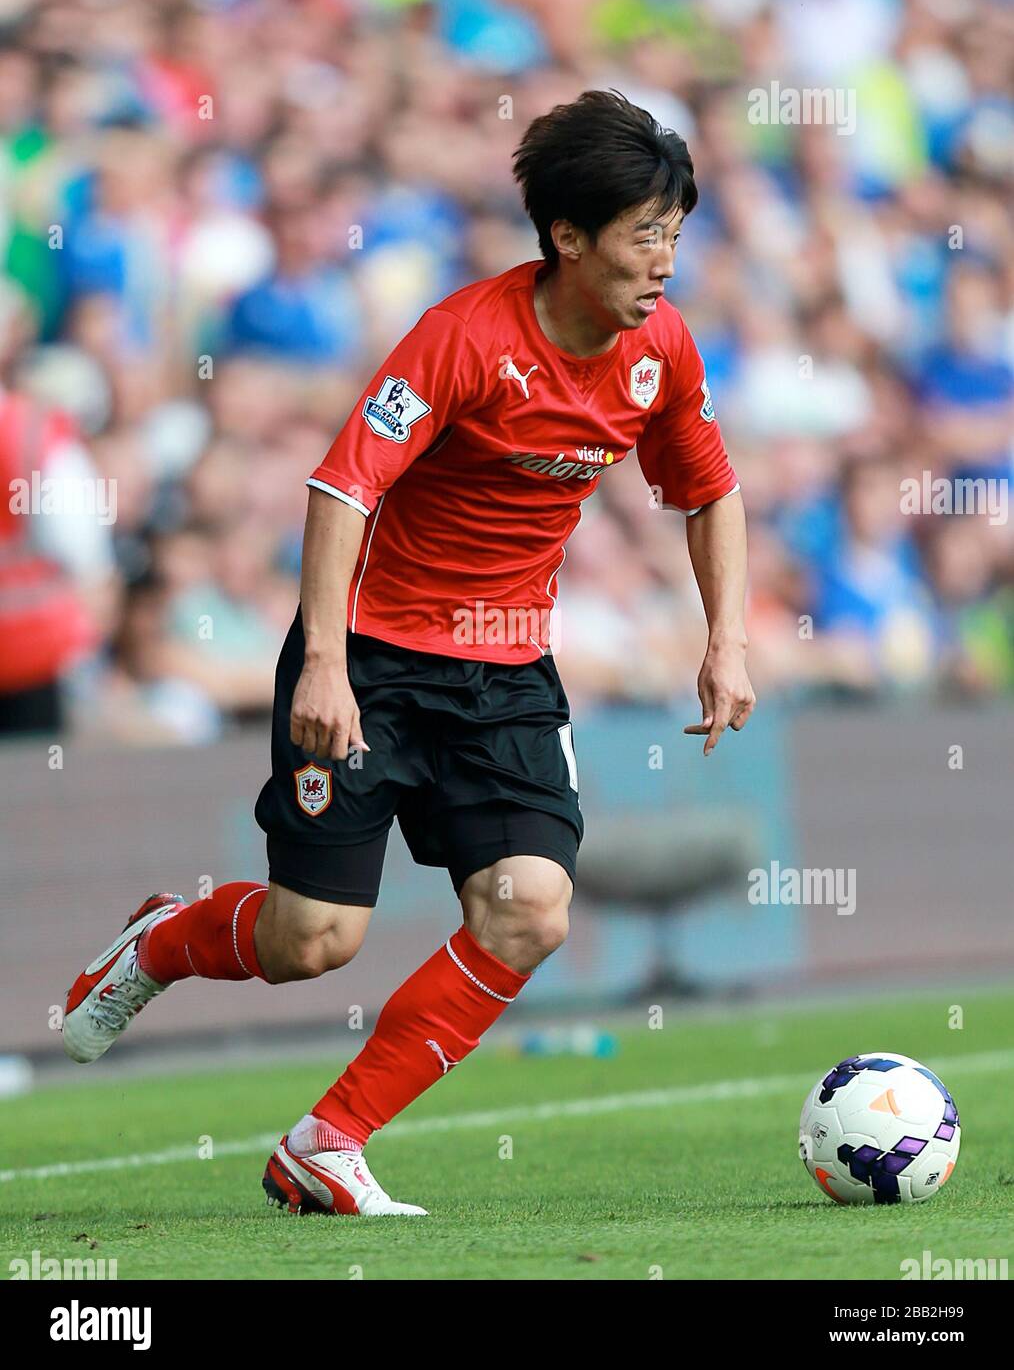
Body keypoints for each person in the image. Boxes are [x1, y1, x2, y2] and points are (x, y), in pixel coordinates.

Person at [61, 90, 755, 1216]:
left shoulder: (659, 350)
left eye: (675, 231)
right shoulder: (464, 337)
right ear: (569, 238)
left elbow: (710, 491)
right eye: (644, 233)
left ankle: (325, 1142)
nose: (665, 259)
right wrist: (326, 663)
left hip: (507, 675)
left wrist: (727, 640)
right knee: (312, 940)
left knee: (530, 907)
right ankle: (160, 944)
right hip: (374, 657)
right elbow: (343, 484)